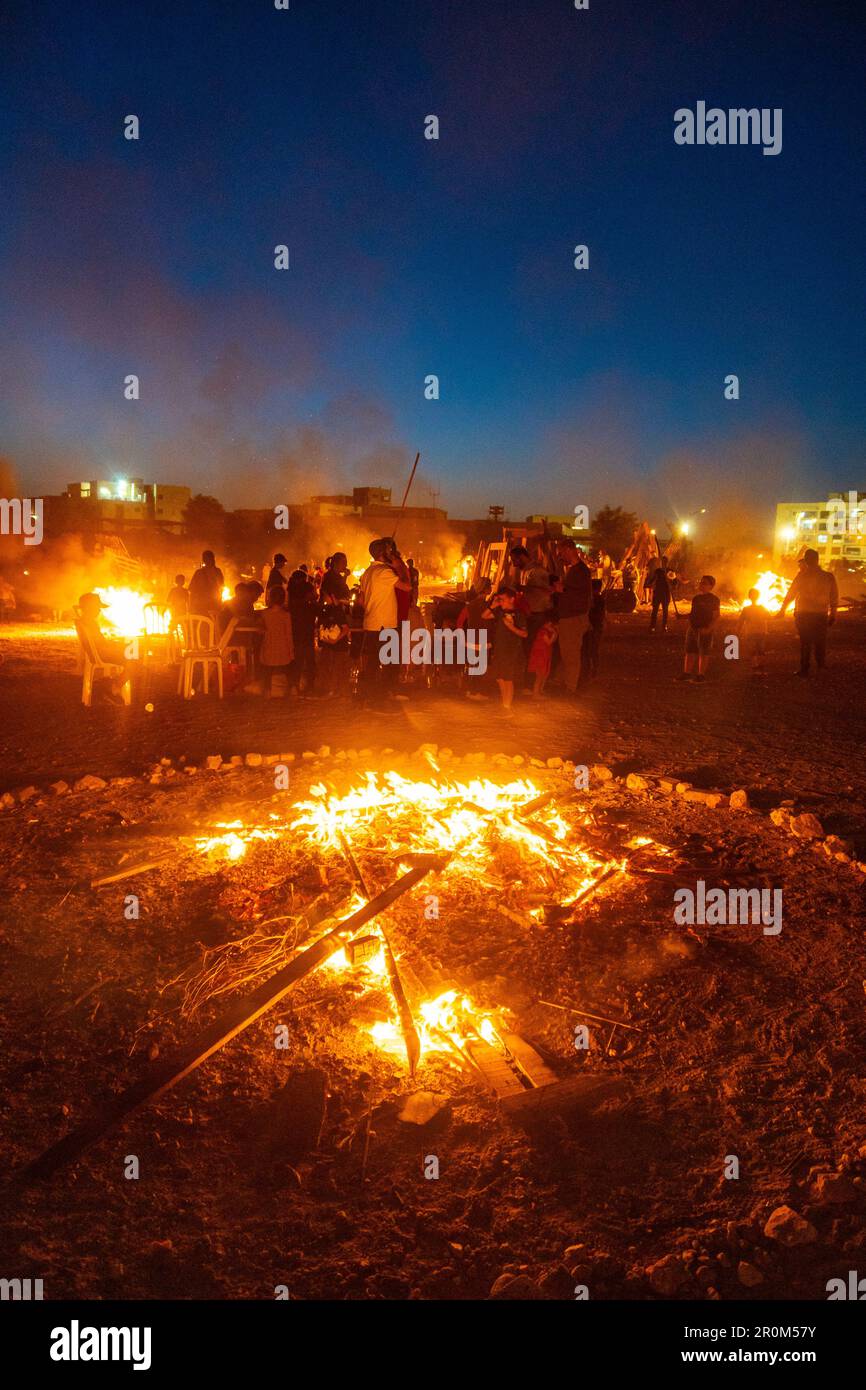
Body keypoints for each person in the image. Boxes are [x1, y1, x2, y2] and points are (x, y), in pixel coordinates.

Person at [357, 538, 411, 705]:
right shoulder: (385, 572)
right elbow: (407, 587)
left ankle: (370, 695)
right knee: (390, 661)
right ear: (383, 553)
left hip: (371, 622)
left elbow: (361, 600)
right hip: (385, 623)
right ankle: (385, 693)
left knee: (373, 662)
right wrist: (399, 566)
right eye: (388, 551)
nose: (390, 554)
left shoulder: (367, 572)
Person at [778, 548, 839, 677]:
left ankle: (805, 669)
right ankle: (820, 666)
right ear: (817, 560)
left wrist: (782, 610)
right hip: (820, 614)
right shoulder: (828, 576)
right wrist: (833, 613)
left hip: (804, 614)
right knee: (820, 641)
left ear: (806, 561)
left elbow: (791, 594)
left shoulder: (801, 576)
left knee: (805, 642)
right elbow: (834, 597)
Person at [75, 591, 132, 704]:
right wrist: (117, 645)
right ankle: (113, 687)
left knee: (134, 650)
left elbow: (97, 642)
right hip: (103, 654)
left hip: (98, 653)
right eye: (97, 607)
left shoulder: (84, 621)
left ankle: (111, 683)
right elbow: (101, 644)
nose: (99, 610)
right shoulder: (89, 623)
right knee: (136, 659)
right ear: (89, 607)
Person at [555, 540, 592, 693]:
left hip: (574, 616)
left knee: (571, 652)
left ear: (570, 550)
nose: (561, 555)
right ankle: (567, 681)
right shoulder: (575, 570)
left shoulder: (580, 571)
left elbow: (577, 593)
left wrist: (561, 589)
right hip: (570, 615)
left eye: (562, 551)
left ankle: (570, 685)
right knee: (567, 651)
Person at [484, 587, 527, 712]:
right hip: (499, 650)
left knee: (508, 679)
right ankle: (505, 704)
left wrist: (510, 626)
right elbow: (485, 615)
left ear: (512, 599)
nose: (501, 602)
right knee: (499, 678)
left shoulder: (518, 614)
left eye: (503, 599)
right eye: (500, 599)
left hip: (511, 651)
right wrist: (493, 605)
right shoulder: (500, 612)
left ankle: (507, 706)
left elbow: (524, 634)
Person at [318, 551, 352, 695]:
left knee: (332, 654)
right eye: (344, 562)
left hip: (333, 616)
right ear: (337, 563)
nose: (346, 565)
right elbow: (331, 597)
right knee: (337, 654)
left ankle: (332, 687)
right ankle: (335, 687)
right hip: (335, 618)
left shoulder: (333, 576)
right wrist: (340, 604)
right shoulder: (331, 578)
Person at [678, 575, 720, 682]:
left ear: (711, 586)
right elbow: (693, 614)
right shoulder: (696, 599)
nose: (701, 584)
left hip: (704, 628)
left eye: (704, 583)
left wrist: (709, 629)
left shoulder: (714, 599)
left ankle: (701, 674)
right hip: (693, 628)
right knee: (690, 650)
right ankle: (687, 673)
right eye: (701, 582)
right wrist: (682, 616)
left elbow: (716, 616)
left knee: (703, 651)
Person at [287, 566, 318, 695]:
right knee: (307, 656)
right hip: (305, 626)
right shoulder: (305, 589)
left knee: (298, 656)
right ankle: (308, 684)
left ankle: (296, 684)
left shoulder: (291, 591)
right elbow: (315, 598)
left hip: (297, 627)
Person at [259, 586, 294, 696]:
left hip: (269, 646)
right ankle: (293, 689)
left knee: (267, 670)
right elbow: (289, 634)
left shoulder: (264, 614)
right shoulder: (286, 615)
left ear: (270, 598)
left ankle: (268, 691)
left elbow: (261, 630)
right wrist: (291, 651)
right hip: (283, 647)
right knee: (288, 670)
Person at [737, 588, 770, 675]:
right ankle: (760, 667)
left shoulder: (746, 609)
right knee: (760, 650)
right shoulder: (762, 608)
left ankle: (756, 668)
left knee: (754, 650)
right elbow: (769, 617)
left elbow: (741, 621)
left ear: (749, 597)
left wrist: (738, 631)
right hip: (760, 631)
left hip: (752, 632)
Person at [187, 550, 224, 617]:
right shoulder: (199, 573)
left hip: (213, 604)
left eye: (209, 558)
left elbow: (221, 587)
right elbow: (192, 590)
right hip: (202, 605)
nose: (208, 560)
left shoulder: (217, 572)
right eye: (206, 558)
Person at [581, 578, 606, 679]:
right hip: (596, 627)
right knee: (594, 650)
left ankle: (589, 671)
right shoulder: (600, 599)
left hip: (591, 627)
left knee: (588, 650)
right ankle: (593, 670)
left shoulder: (593, 599)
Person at [527, 617, 557, 697]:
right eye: (550, 625)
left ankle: (540, 691)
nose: (552, 626)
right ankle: (535, 693)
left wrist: (554, 634)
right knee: (539, 674)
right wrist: (554, 633)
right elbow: (549, 642)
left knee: (544, 674)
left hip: (545, 655)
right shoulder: (542, 631)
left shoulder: (546, 631)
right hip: (540, 655)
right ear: (546, 624)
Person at [649, 564, 671, 632]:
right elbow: (651, 580)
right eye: (663, 561)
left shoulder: (669, 571)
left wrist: (670, 581)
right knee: (655, 611)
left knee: (665, 611)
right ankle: (652, 626)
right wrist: (651, 581)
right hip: (657, 594)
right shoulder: (658, 571)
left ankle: (664, 625)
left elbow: (674, 582)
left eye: (665, 561)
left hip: (665, 594)